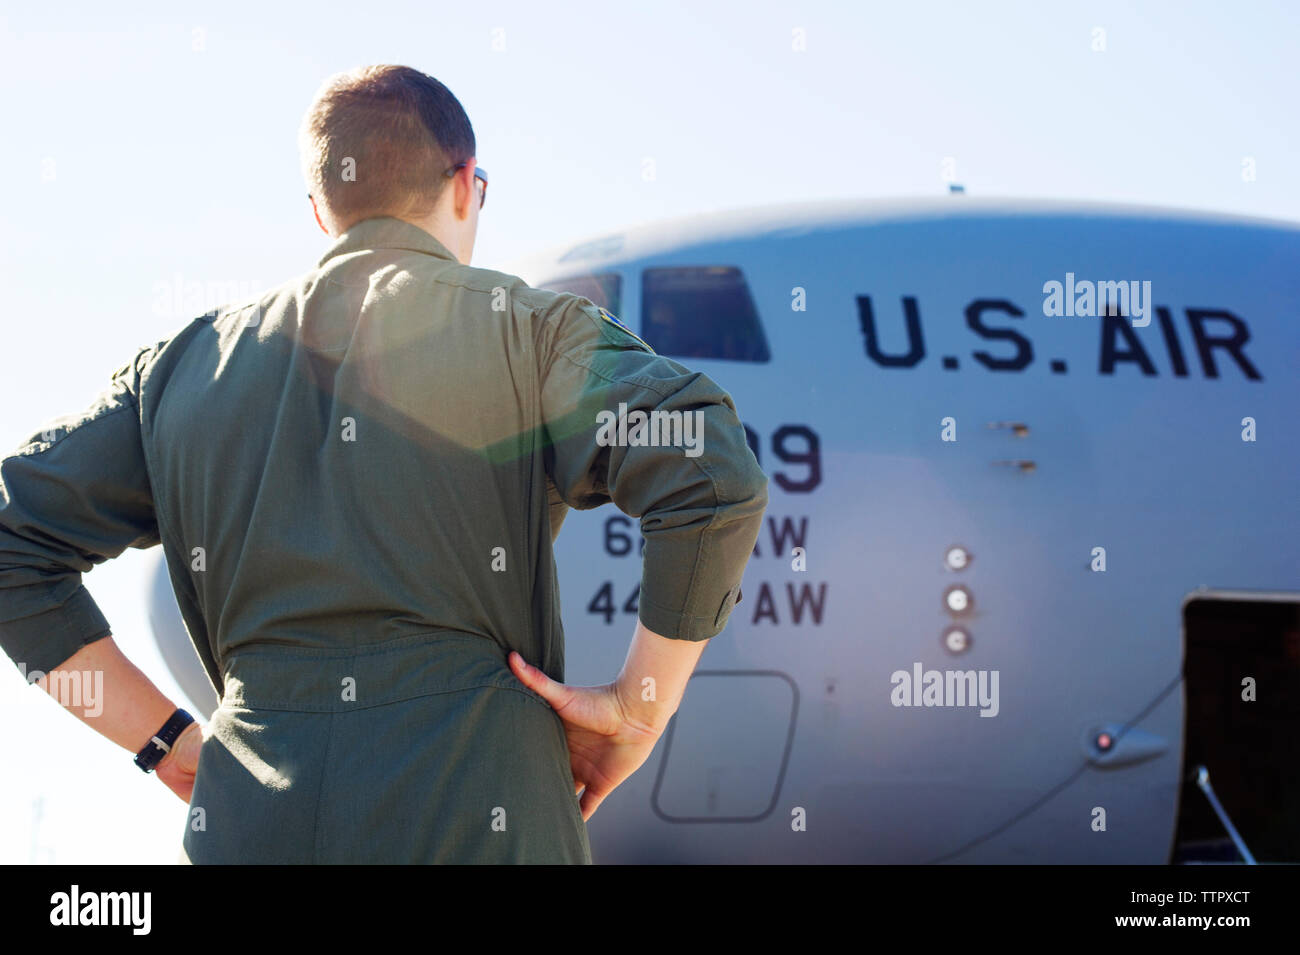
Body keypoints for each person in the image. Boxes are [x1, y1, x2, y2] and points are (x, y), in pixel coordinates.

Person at [0, 64, 768, 863]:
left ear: (319, 210)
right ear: (467, 185)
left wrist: (168, 742)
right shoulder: (532, 332)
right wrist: (639, 707)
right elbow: (711, 470)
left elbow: (10, 543)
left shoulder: (180, 373)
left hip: (253, 820)